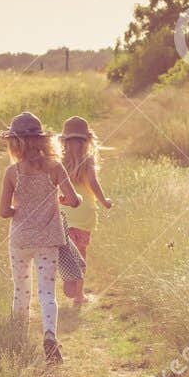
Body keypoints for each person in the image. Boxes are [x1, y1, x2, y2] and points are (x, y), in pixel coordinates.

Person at [0, 111, 81, 364]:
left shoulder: (13, 172)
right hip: (48, 241)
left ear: (14, 144)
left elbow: (3, 212)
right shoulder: (55, 168)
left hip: (20, 240)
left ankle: (18, 338)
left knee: (21, 290)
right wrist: (59, 199)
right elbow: (74, 201)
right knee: (47, 292)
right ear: (43, 141)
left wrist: (19, 211)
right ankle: (50, 336)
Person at [58, 116, 112, 306]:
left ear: (63, 141)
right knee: (81, 254)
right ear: (87, 140)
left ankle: (67, 276)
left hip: (64, 212)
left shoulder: (59, 161)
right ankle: (79, 295)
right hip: (84, 214)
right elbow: (94, 184)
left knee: (66, 251)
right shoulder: (88, 160)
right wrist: (104, 201)